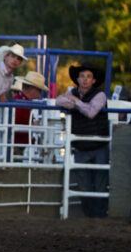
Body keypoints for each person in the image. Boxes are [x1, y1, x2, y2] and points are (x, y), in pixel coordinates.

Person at [55, 64, 109, 218]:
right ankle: (90, 215)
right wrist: (76, 102)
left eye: (88, 77)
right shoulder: (72, 93)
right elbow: (59, 101)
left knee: (100, 184)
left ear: (93, 80)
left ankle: (99, 216)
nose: (85, 80)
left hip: (99, 145)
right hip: (81, 146)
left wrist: (75, 102)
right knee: (84, 184)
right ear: (78, 79)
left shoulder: (100, 95)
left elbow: (91, 112)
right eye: (82, 76)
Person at [12, 70, 49, 152]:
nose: (40, 93)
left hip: (17, 143)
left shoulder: (21, 100)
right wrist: (33, 124)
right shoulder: (20, 102)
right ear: (32, 89)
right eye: (40, 90)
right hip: (16, 144)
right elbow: (16, 123)